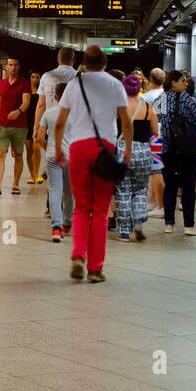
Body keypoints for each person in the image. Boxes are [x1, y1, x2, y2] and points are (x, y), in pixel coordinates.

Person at [53, 45, 132, 282]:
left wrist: (58, 148)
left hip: (78, 148)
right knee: (99, 211)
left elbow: (59, 123)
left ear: (84, 63)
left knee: (80, 207)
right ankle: (96, 269)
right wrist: (127, 149)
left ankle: (78, 255)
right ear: (105, 62)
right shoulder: (115, 84)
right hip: (104, 150)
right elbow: (126, 122)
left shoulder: (75, 85)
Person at [159, 70, 196, 235]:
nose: (186, 84)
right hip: (186, 150)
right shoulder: (188, 100)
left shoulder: (161, 99)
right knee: (187, 187)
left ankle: (169, 224)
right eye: (183, 81)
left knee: (170, 186)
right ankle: (189, 225)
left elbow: (158, 120)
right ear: (173, 82)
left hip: (168, 149)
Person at [114, 74, 156, 242]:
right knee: (140, 189)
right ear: (139, 88)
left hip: (123, 149)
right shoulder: (148, 107)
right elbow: (155, 131)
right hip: (143, 151)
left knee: (123, 190)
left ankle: (124, 231)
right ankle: (138, 222)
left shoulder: (118, 107)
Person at [35, 80, 74, 242]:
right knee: (69, 193)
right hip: (72, 157)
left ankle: (56, 228)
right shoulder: (77, 114)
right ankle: (67, 223)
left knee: (54, 191)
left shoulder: (48, 113)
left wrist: (48, 147)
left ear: (56, 96)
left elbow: (38, 137)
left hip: (53, 156)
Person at [0, 56, 31, 195]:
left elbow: (26, 101)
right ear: (6, 66)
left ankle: (15, 184)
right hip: (2, 125)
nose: (13, 67)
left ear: (19, 66)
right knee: (0, 154)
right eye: (10, 65)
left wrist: (18, 111)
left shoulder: (24, 83)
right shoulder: (1, 83)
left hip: (19, 126)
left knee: (18, 154)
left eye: (15, 65)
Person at [143, 68, 166, 208]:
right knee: (159, 169)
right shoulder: (168, 95)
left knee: (156, 170)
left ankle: (160, 206)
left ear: (150, 79)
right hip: (167, 133)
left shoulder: (145, 97)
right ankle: (153, 200)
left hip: (153, 134)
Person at [26, 71, 43, 183]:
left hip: (38, 122)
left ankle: (37, 174)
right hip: (26, 122)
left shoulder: (42, 91)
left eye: (37, 77)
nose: (35, 79)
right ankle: (32, 175)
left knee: (36, 149)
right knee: (29, 150)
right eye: (33, 77)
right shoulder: (25, 91)